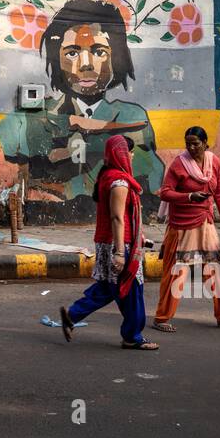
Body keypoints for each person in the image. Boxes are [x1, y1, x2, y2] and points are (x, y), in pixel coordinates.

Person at [0, 0, 162, 206]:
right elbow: (11, 145)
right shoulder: (43, 115)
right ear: (56, 58)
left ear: (117, 57)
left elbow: (148, 173)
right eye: (73, 53)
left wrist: (68, 188)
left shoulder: (131, 116)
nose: (86, 65)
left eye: (99, 52)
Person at [57, 136, 158, 349]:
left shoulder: (107, 176)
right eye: (130, 152)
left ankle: (72, 315)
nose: (132, 156)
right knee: (132, 290)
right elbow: (117, 217)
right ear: (123, 154)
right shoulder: (120, 181)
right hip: (119, 243)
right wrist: (120, 252)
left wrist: (140, 236)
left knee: (107, 287)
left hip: (108, 240)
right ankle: (133, 337)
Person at [152, 126, 220, 333]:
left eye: (195, 143)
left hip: (206, 224)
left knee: (216, 271)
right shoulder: (179, 164)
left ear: (206, 143)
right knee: (176, 273)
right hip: (181, 227)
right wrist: (189, 197)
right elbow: (165, 192)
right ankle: (161, 318)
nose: (191, 147)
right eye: (188, 143)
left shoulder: (213, 161)